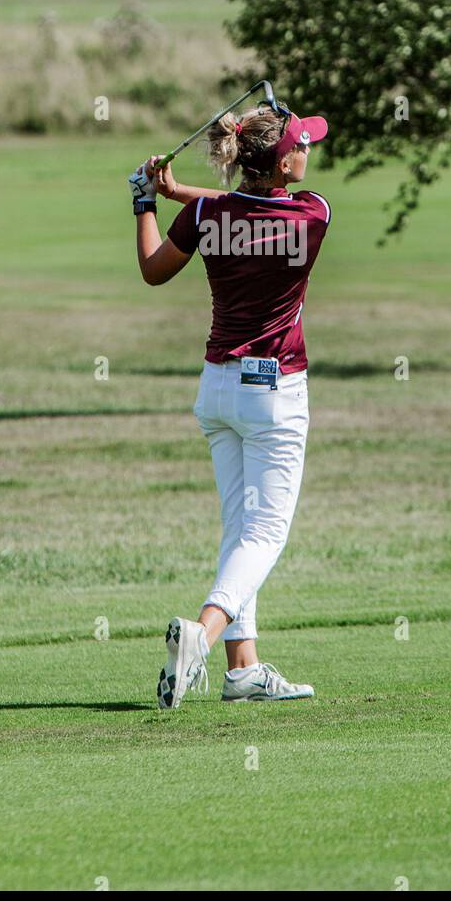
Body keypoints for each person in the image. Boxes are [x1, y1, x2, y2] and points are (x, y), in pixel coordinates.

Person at [130, 100, 331, 708]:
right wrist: (176, 194)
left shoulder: (207, 215)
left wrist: (147, 200)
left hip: (216, 389)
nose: (309, 148)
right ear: (281, 160)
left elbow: (152, 270)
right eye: (302, 141)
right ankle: (205, 633)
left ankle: (243, 669)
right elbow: (241, 209)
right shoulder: (313, 213)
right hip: (275, 393)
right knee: (266, 531)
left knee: (239, 527)